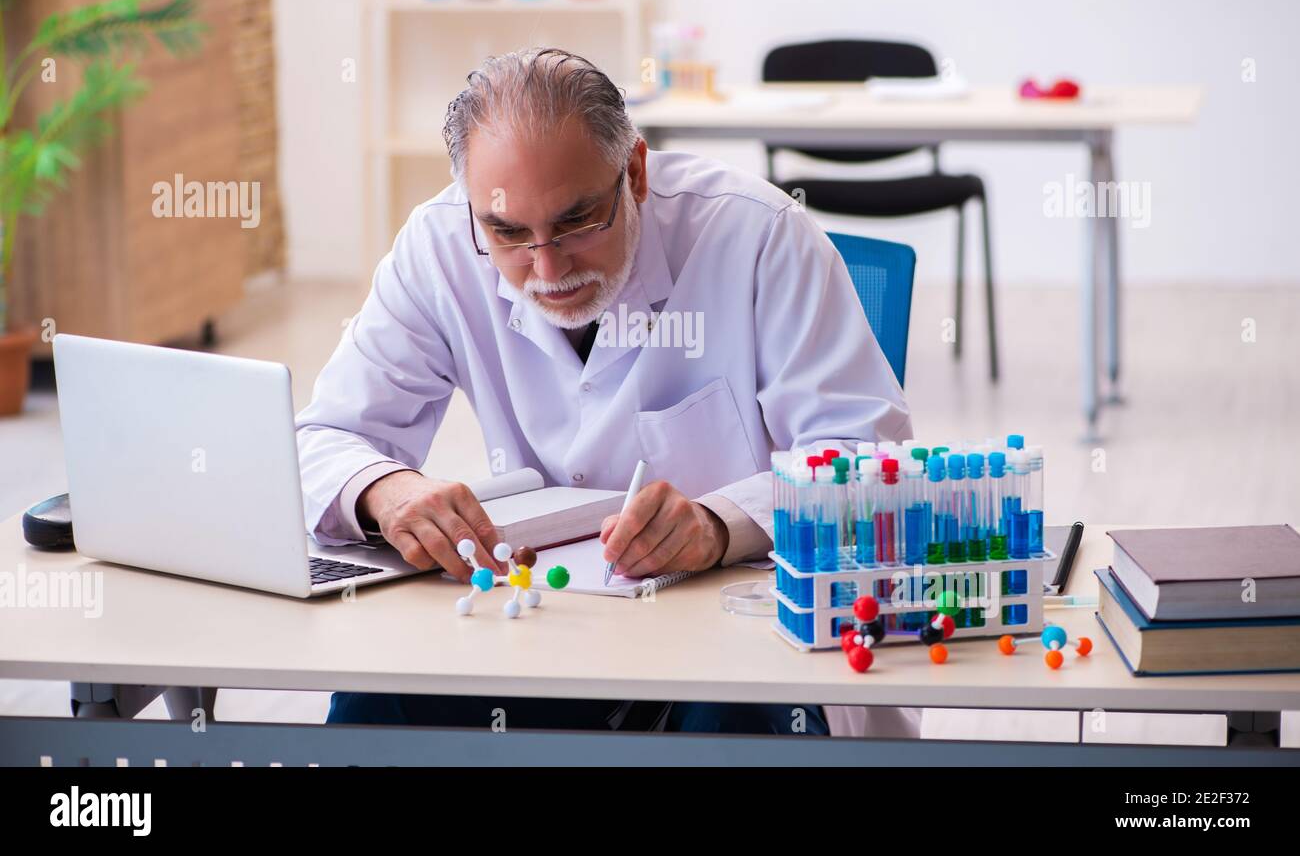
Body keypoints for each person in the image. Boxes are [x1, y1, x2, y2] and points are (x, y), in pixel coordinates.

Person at [295, 47, 912, 734]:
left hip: (736, 627)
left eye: (577, 222)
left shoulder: (758, 236)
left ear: (636, 173)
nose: (548, 267)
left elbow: (868, 466)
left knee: (728, 726)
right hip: (542, 627)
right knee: (375, 708)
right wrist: (386, 489)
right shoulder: (440, 245)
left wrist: (718, 524)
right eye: (508, 233)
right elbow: (321, 438)